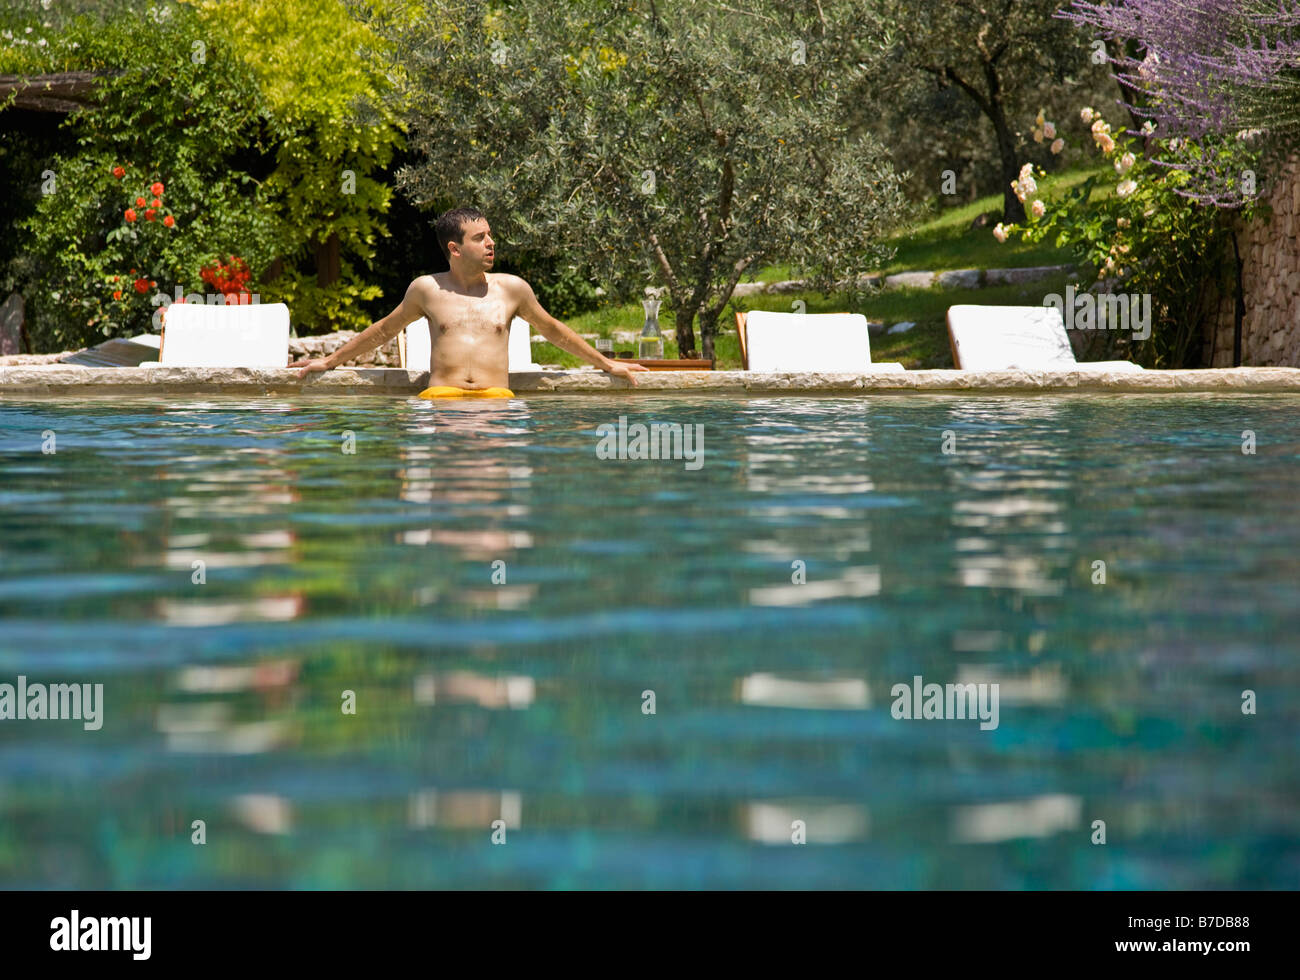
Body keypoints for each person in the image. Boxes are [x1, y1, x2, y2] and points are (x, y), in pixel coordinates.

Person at [289, 207, 648, 397]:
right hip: (441, 401)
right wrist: (330, 361)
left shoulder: (512, 289)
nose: (491, 242)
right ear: (455, 248)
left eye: (491, 235)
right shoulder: (426, 289)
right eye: (481, 237)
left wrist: (607, 364)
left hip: (497, 401)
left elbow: (553, 331)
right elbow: (384, 330)